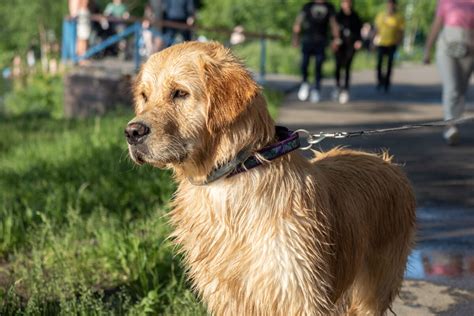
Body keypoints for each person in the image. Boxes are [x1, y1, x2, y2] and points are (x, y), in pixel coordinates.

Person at [423, 0, 474, 146]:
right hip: (446, 48)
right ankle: (449, 126)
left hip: (469, 50)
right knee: (452, 87)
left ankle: (454, 122)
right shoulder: (445, 1)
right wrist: (427, 50)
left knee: (461, 90)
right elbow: (436, 25)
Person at [293, 0, 340, 103]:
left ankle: (317, 90)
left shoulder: (329, 6)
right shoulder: (307, 6)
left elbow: (334, 24)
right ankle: (305, 83)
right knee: (304, 63)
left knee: (319, 65)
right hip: (307, 39)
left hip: (321, 41)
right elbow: (298, 23)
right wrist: (295, 38)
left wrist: (336, 39)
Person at [333, 0, 362, 104]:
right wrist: (334, 40)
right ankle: (337, 86)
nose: (346, 4)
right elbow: (332, 29)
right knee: (337, 66)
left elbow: (359, 31)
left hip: (350, 45)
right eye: (344, 2)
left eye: (348, 2)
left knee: (347, 66)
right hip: (339, 45)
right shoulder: (337, 16)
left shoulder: (355, 16)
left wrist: (358, 41)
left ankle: (345, 90)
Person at [373, 0, 404, 93]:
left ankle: (387, 83)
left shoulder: (398, 17)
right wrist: (373, 41)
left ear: (395, 5)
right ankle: (379, 80)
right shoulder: (381, 16)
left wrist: (399, 41)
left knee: (390, 64)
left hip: (392, 44)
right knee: (379, 63)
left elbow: (401, 31)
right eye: (389, 4)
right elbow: (376, 29)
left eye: (392, 4)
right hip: (381, 43)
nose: (390, 6)